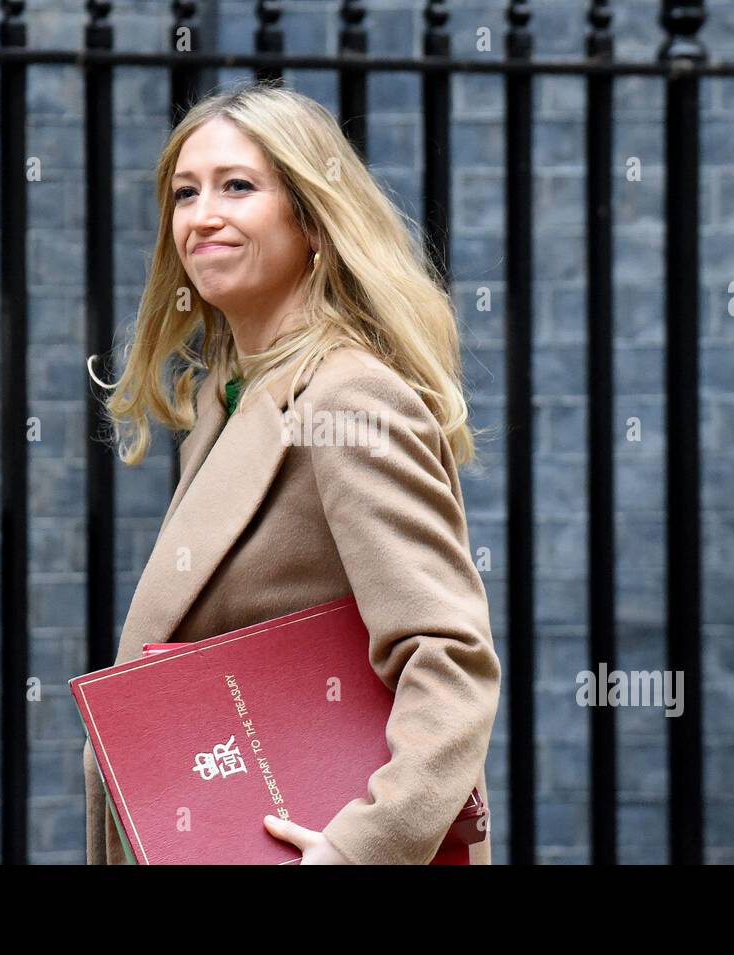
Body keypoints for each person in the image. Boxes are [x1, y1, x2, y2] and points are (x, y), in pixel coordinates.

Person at [83, 79, 501, 865]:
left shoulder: (350, 396)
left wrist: (359, 849)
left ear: (311, 219)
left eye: (238, 187)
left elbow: (449, 656)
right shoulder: (228, 394)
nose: (202, 215)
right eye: (184, 192)